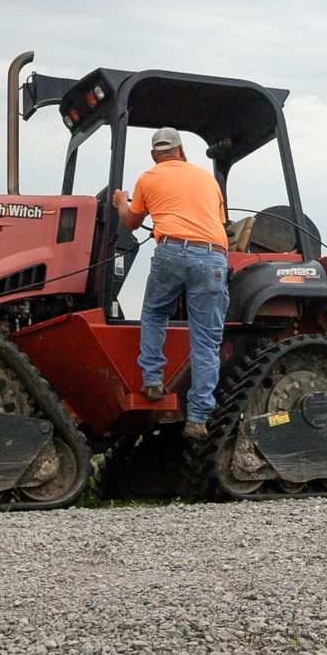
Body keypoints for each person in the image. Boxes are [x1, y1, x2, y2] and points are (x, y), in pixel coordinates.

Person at [110, 127, 230, 442]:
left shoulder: (148, 178)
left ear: (155, 155)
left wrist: (122, 201)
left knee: (154, 314)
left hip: (171, 251)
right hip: (212, 257)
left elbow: (132, 222)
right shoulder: (207, 179)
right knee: (205, 342)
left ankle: (152, 381)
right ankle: (198, 418)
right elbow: (220, 222)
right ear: (181, 151)